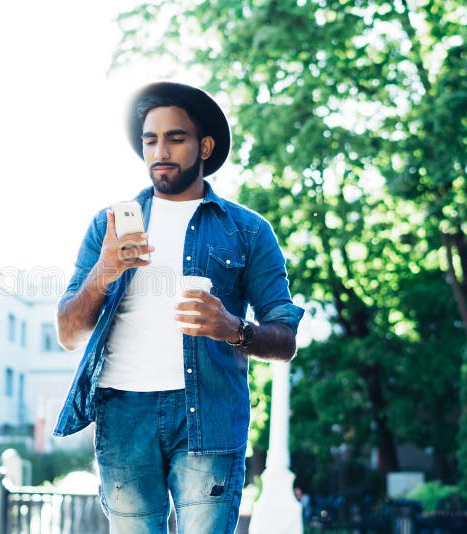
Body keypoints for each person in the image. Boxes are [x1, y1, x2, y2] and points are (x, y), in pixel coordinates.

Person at [53, 81, 304, 534]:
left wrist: (233, 328)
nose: (160, 150)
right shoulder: (109, 225)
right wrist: (104, 272)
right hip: (123, 411)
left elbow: (285, 339)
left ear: (204, 145)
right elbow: (68, 333)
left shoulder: (248, 231)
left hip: (209, 413)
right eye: (151, 140)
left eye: (176, 137)